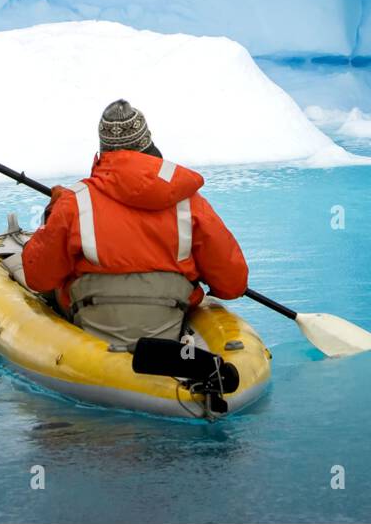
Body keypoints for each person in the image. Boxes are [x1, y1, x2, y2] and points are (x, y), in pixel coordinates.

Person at [22, 99, 249, 345]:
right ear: (148, 145)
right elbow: (233, 284)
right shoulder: (189, 202)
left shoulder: (75, 202)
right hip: (170, 325)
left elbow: (39, 278)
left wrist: (53, 214)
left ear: (104, 149)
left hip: (92, 327)